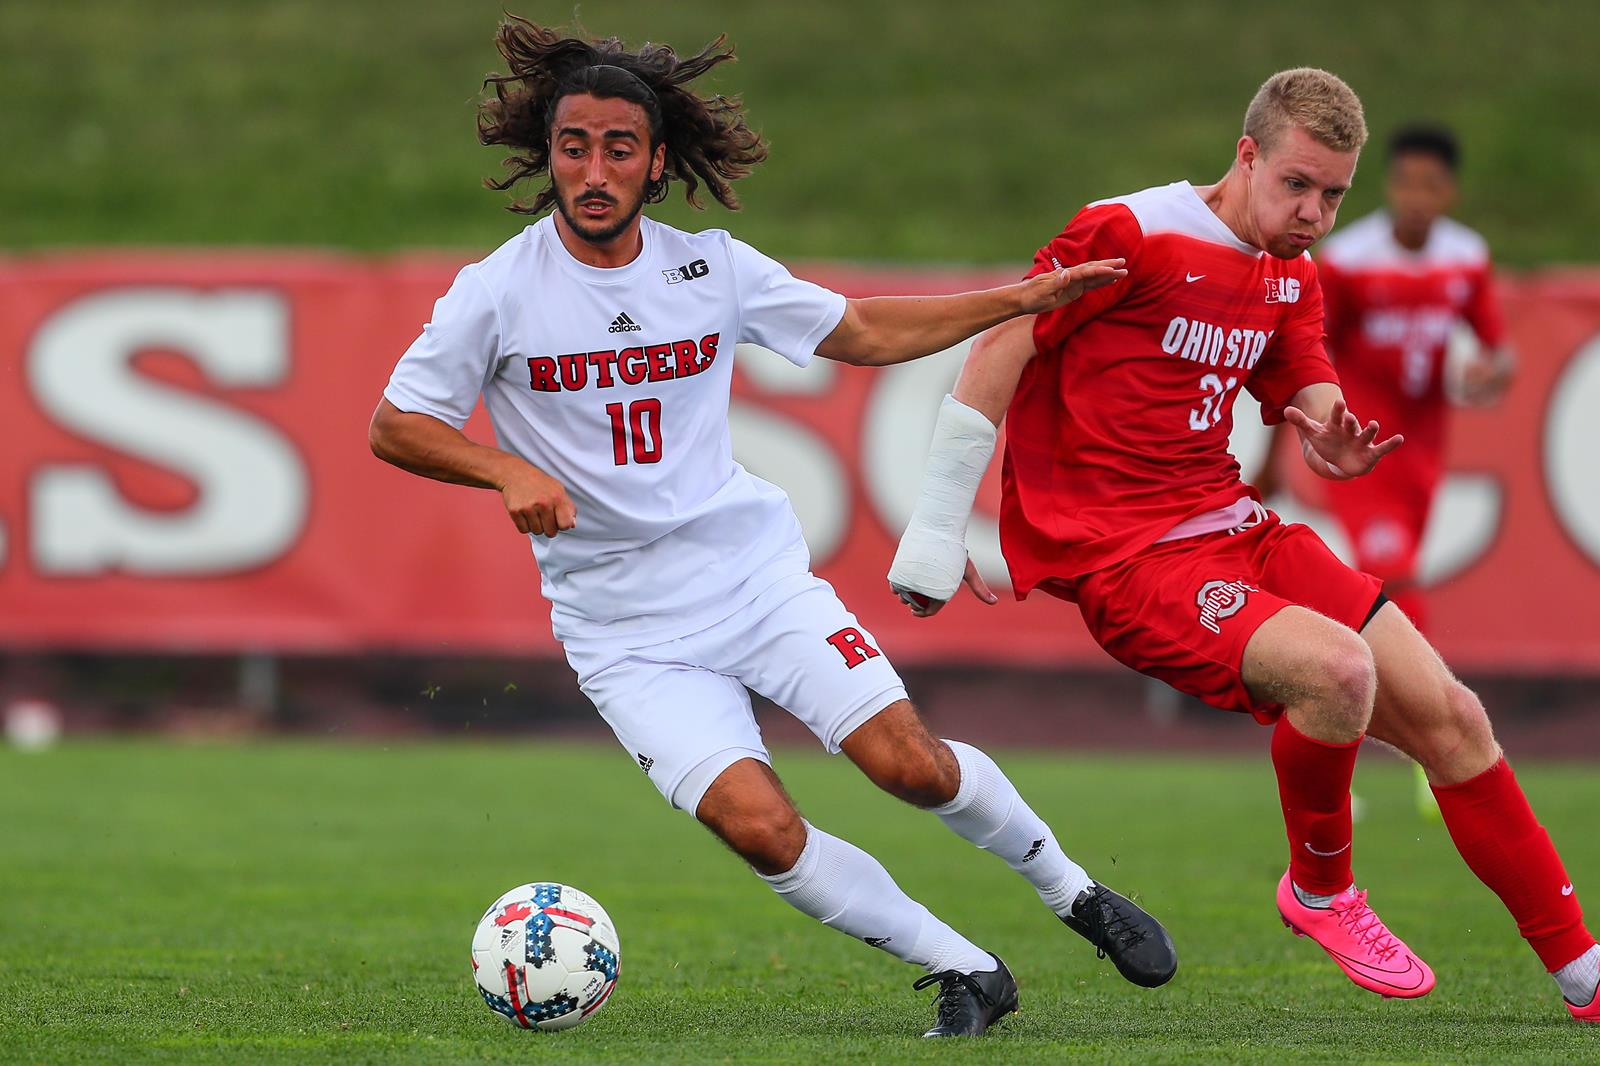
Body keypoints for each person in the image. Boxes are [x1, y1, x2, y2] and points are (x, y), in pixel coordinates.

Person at [370, 17, 1174, 1038]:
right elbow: (395, 423)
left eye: (620, 147)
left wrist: (1018, 299)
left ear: (657, 162)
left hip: (751, 579)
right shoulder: (497, 291)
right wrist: (502, 467)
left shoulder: (709, 268)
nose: (595, 167)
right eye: (574, 145)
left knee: (905, 763)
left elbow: (865, 331)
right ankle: (963, 965)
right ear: (548, 156)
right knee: (759, 828)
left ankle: (1072, 891)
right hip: (623, 633)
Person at [890, 68, 1598, 1019]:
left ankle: (1582, 972)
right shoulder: (1130, 232)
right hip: (1132, 563)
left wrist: (1331, 432)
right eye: (1298, 185)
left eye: (1336, 195)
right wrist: (937, 526)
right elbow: (1003, 347)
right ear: (1247, 155)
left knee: (1455, 717)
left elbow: (1305, 381)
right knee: (1339, 671)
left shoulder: (1291, 273)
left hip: (1236, 528)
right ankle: (1320, 890)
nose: (1314, 212)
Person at [1256, 123, 1515, 822]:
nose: (1416, 198)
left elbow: (1497, 348)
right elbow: (1303, 351)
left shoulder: (1467, 258)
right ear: (1389, 185)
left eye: (1431, 185)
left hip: (1423, 457)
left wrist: (1491, 372)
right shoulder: (1347, 260)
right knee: (1392, 580)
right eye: (1405, 183)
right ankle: (1440, 751)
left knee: (1387, 590)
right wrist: (1286, 448)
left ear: (1449, 192)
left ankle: (1363, 727)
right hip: (1362, 451)